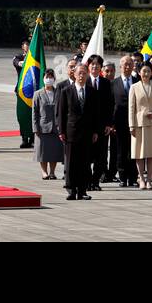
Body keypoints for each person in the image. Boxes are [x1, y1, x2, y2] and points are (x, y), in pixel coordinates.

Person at [57, 58, 104, 200]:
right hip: (71, 132)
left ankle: (82, 190)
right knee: (71, 163)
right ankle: (71, 189)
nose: (82, 76)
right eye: (80, 73)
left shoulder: (92, 92)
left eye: (84, 73)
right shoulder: (66, 91)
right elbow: (61, 112)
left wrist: (96, 131)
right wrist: (61, 131)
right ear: (74, 74)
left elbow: (96, 113)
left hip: (87, 133)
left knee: (84, 163)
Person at [129, 60, 152, 190]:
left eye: (148, 71)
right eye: (144, 71)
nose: (146, 73)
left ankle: (149, 179)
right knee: (139, 153)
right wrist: (131, 125)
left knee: (151, 152)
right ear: (139, 72)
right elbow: (131, 107)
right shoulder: (134, 87)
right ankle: (141, 179)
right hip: (139, 124)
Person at [83, 56, 115, 192]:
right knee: (87, 155)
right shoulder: (84, 81)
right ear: (88, 66)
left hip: (102, 126)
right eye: (92, 64)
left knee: (101, 157)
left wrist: (109, 124)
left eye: (97, 65)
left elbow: (110, 105)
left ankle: (95, 181)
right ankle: (88, 180)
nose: (95, 67)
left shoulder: (106, 83)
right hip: (87, 126)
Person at [111, 55, 138, 187]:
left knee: (134, 150)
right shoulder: (114, 83)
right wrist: (111, 123)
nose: (127, 67)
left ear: (133, 66)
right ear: (120, 67)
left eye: (130, 64)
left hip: (135, 122)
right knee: (121, 150)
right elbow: (110, 105)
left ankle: (133, 177)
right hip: (119, 122)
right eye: (125, 64)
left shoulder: (137, 81)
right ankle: (122, 176)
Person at [33, 68, 64, 179]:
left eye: (51, 77)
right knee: (43, 151)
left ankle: (52, 172)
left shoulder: (58, 93)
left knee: (54, 151)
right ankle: (44, 172)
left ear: (54, 79)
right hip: (42, 127)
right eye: (47, 77)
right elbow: (35, 112)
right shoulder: (38, 94)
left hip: (56, 127)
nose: (49, 79)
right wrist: (35, 127)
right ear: (43, 79)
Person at [13, 39, 34, 149]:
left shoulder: (36, 57)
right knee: (22, 115)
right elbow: (17, 63)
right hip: (22, 91)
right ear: (22, 46)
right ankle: (24, 138)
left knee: (34, 115)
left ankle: (33, 138)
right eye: (26, 44)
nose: (27, 46)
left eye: (29, 44)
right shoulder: (19, 57)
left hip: (34, 91)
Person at [100, 61, 119, 182]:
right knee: (102, 150)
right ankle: (103, 172)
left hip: (116, 122)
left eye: (112, 71)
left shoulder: (118, 84)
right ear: (102, 71)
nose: (109, 73)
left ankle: (112, 173)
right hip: (103, 123)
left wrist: (114, 123)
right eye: (107, 71)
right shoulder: (100, 84)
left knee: (115, 150)